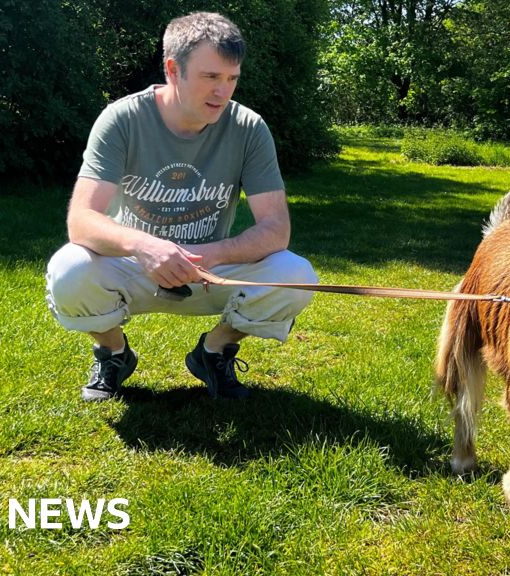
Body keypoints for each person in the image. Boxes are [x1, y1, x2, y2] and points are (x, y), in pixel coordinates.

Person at [45, 12, 317, 401]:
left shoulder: (249, 128)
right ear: (173, 69)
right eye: (211, 77)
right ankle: (114, 353)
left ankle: (214, 352)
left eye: (232, 79)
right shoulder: (121, 119)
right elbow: (82, 220)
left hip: (210, 272)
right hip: (136, 267)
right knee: (69, 269)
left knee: (296, 275)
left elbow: (276, 229)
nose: (223, 92)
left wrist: (211, 255)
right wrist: (144, 246)